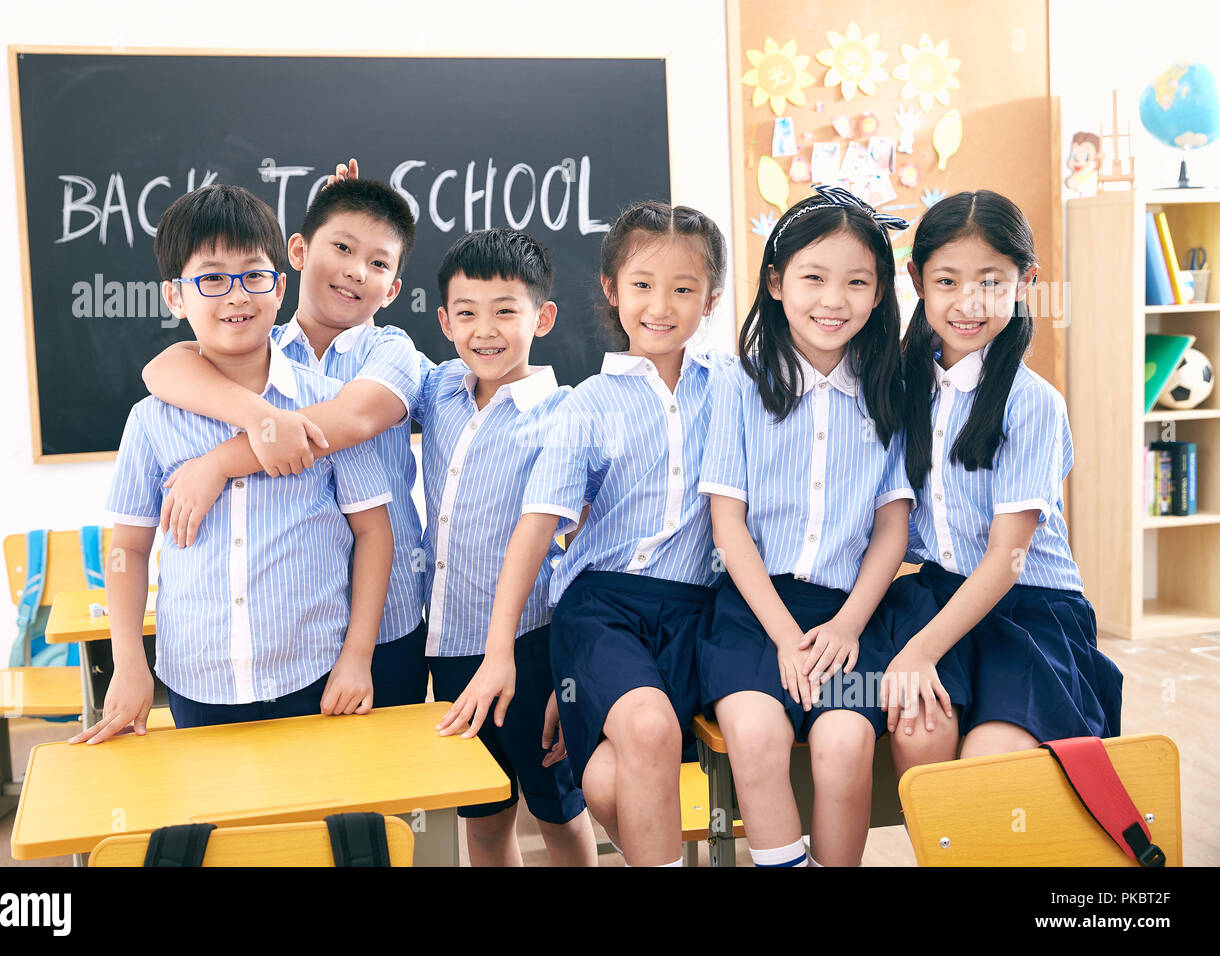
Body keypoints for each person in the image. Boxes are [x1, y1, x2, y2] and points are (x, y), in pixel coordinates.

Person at [443, 200, 730, 866]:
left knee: (605, 779)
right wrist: (500, 653)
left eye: (683, 289)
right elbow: (535, 528)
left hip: (697, 614)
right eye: (641, 286)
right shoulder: (586, 406)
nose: (660, 306)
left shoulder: (733, 390)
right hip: (602, 612)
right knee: (650, 728)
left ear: (711, 299)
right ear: (611, 290)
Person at [73, 183, 393, 742]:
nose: (237, 295)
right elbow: (127, 547)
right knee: (216, 826)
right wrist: (129, 663)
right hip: (198, 678)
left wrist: (357, 656)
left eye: (254, 275)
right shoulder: (152, 420)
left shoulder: (324, 400)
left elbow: (373, 533)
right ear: (175, 297)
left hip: (314, 671)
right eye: (213, 278)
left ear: (280, 286)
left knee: (324, 825)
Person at [139, 173, 430, 706]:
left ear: (392, 289)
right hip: (284, 631)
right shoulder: (254, 338)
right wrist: (256, 415)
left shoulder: (394, 352)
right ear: (296, 252)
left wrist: (220, 463)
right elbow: (163, 369)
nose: (353, 270)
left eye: (378, 263)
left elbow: (350, 420)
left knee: (386, 777)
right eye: (340, 247)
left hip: (385, 618)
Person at [699, 185, 913, 867]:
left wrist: (848, 625)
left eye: (857, 282)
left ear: (879, 294)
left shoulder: (892, 390)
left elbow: (892, 527)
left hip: (848, 616)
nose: (833, 299)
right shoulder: (738, 383)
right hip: (754, 613)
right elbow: (727, 525)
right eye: (813, 277)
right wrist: (787, 639)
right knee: (756, 736)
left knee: (845, 741)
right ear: (775, 281)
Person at [879, 189, 1123, 779]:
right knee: (918, 734)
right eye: (947, 281)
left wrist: (919, 651)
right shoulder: (900, 387)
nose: (969, 302)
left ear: (1025, 281)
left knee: (994, 761)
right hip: (939, 598)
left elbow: (1006, 559)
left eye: (991, 282)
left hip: (1030, 610)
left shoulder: (1033, 402)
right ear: (916, 280)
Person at [419, 228, 597, 866]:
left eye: (505, 311)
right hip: (452, 646)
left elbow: (582, 542)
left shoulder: (566, 415)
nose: (484, 330)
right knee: (485, 815)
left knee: (557, 809)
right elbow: (360, 361)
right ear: (444, 320)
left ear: (543, 317)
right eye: (466, 313)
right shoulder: (436, 392)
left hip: (534, 643)